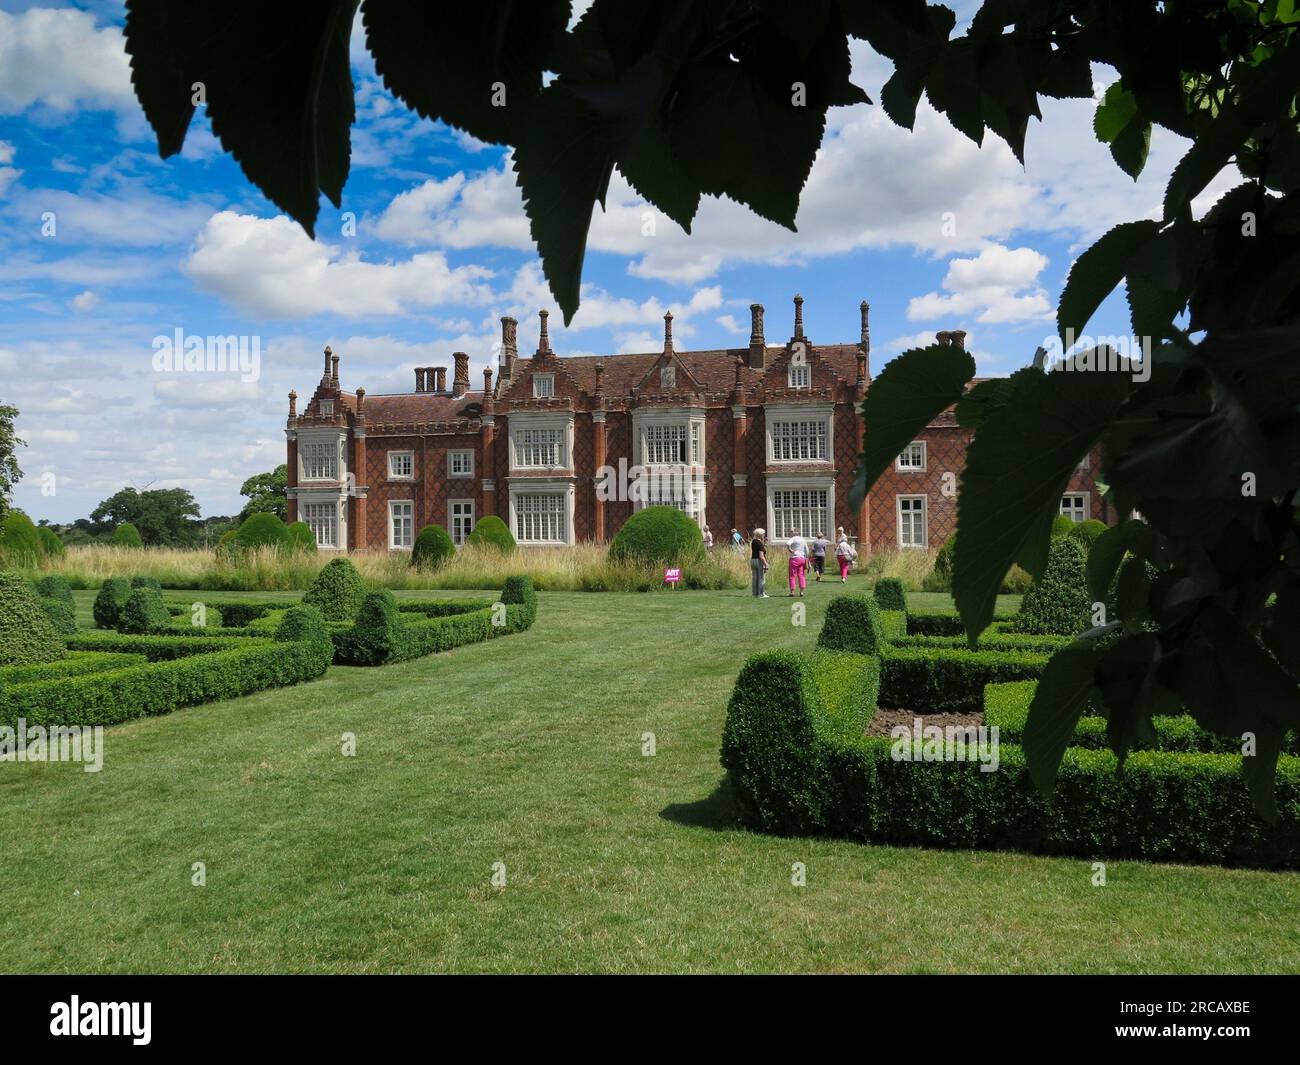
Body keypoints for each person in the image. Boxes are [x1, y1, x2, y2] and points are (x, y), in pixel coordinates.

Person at [786, 528, 808, 596]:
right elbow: (807, 550)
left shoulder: (793, 538)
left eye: (792, 532)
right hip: (802, 558)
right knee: (801, 575)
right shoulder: (803, 539)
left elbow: (788, 543)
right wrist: (806, 557)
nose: (791, 533)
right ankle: (801, 591)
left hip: (794, 558)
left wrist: (790, 550)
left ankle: (792, 592)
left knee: (792, 575)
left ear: (795, 533)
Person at [750, 528, 769, 598]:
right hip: (759, 561)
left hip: (753, 560)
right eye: (763, 534)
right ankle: (761, 593)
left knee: (755, 578)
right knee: (761, 578)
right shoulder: (760, 543)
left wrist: (765, 543)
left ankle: (755, 594)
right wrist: (766, 564)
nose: (764, 535)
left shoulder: (754, 541)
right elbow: (761, 555)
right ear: (761, 535)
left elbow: (761, 547)